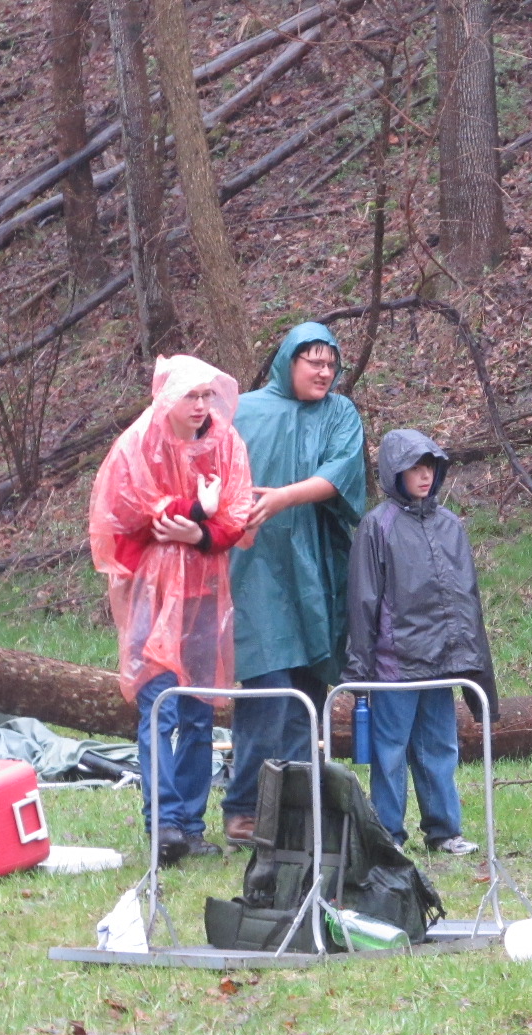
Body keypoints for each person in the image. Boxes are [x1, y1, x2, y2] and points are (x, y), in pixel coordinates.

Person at [90, 355, 254, 863]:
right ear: (167, 397)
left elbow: (238, 516)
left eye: (207, 395)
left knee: (199, 711)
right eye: (191, 396)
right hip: (151, 595)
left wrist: (199, 533)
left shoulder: (226, 443)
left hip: (205, 594)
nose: (201, 406)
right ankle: (162, 823)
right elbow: (124, 513)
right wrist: (193, 512)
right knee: (159, 705)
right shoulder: (139, 443)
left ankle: (190, 824)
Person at [224, 323, 367, 845]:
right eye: (314, 362)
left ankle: (297, 811)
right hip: (256, 568)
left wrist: (284, 497)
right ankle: (245, 808)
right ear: (289, 362)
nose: (324, 372)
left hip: (317, 566)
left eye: (331, 364)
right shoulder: (241, 412)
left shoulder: (340, 413)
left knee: (309, 686)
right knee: (268, 688)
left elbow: (340, 473)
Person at [346, 430, 496, 855]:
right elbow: (363, 599)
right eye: (414, 467)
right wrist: (359, 667)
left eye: (429, 466)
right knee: (390, 752)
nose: (424, 475)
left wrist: (471, 663)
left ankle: (445, 831)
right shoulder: (377, 525)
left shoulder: (450, 525)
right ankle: (388, 837)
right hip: (395, 664)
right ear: (396, 473)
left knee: (439, 748)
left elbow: (466, 600)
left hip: (442, 662)